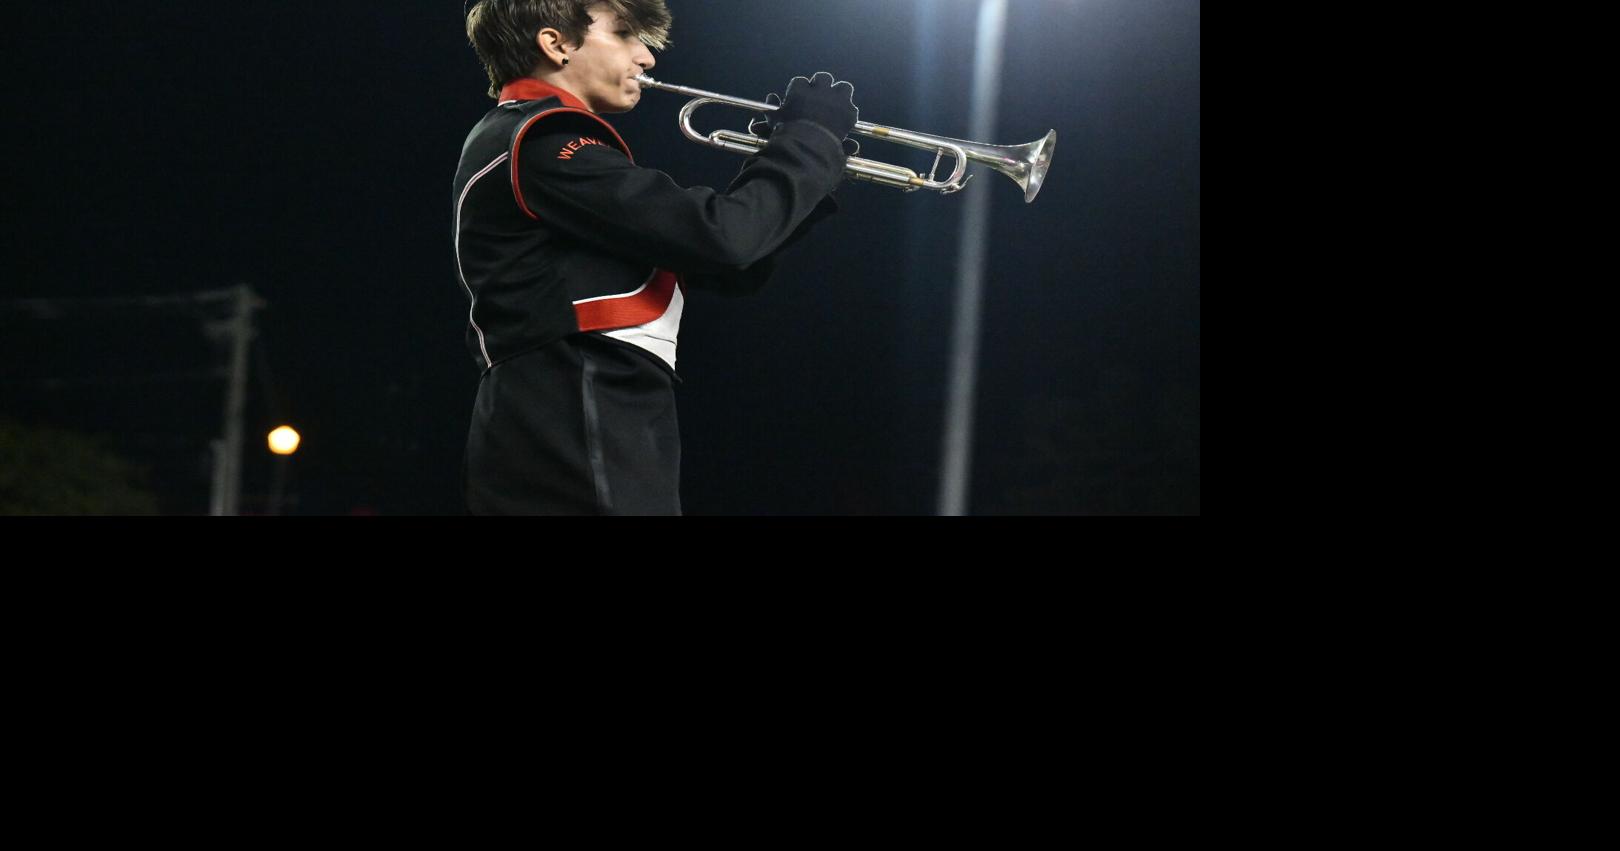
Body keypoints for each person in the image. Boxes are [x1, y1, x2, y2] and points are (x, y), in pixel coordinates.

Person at [455, 0, 858, 515]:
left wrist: (806, 166)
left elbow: (727, 266)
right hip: (575, 398)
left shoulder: (531, 141)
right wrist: (808, 143)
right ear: (556, 44)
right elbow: (723, 239)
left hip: (578, 403)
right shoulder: (545, 141)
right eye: (625, 34)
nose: (646, 57)